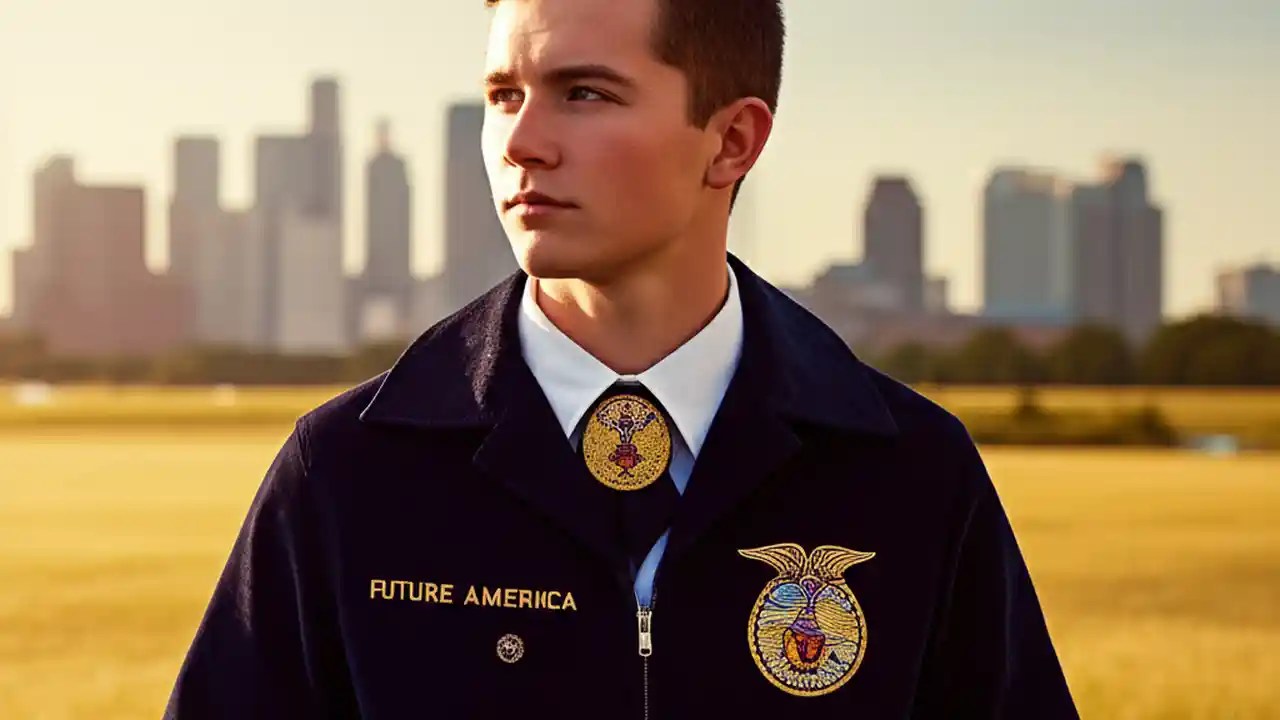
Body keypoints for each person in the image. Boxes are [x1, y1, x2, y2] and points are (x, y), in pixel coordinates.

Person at [165, 0, 1078, 717]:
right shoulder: (349, 470)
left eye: (585, 93)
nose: (521, 142)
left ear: (732, 141)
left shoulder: (911, 474)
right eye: (502, 95)